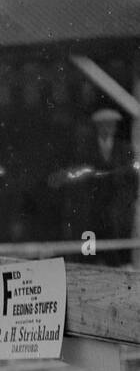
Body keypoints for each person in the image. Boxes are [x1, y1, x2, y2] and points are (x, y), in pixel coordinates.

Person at [52, 107, 136, 266]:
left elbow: (129, 181)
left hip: (114, 213)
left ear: (115, 127)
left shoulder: (124, 149)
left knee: (114, 257)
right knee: (88, 255)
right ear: (97, 127)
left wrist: (123, 205)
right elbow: (79, 178)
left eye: (110, 125)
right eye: (103, 125)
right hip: (91, 214)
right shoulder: (86, 148)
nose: (107, 129)